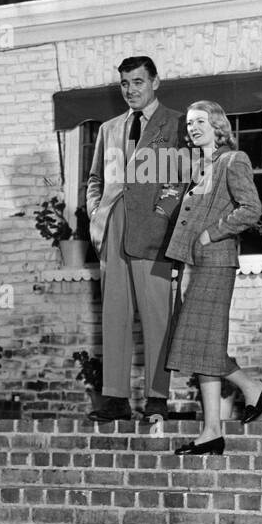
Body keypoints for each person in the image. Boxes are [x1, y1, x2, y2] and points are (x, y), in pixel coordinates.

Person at [164, 101, 262, 455]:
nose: (192, 128)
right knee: (201, 346)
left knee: (201, 345)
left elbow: (252, 208)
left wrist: (212, 234)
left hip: (216, 262)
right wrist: (182, 266)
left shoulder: (233, 160)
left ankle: (252, 387)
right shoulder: (200, 168)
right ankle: (212, 430)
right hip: (195, 264)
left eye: (199, 121)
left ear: (216, 124)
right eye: (189, 123)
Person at [85, 56, 185, 422]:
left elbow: (179, 179)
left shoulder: (175, 124)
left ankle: (157, 397)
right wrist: (97, 215)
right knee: (114, 314)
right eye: (125, 83)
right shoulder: (109, 129)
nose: (131, 90)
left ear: (155, 82)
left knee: (157, 315)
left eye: (138, 82)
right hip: (113, 226)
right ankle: (115, 397)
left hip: (153, 232)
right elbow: (96, 179)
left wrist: (162, 219)